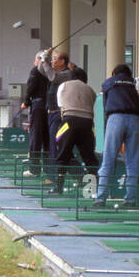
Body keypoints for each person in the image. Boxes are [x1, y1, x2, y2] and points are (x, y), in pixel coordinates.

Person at [94, 63, 139, 208]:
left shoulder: (108, 83)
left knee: (108, 159)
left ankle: (100, 198)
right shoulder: (133, 84)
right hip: (135, 120)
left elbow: (105, 106)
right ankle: (131, 199)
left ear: (114, 73)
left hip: (115, 118)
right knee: (133, 161)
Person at [48, 67, 99, 195]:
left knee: (62, 154)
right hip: (88, 123)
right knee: (89, 157)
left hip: (68, 122)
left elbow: (61, 106)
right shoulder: (90, 89)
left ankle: (58, 187)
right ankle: (93, 188)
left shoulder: (64, 85)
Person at [36, 49, 75, 162]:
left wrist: (44, 60)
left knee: (56, 144)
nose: (52, 61)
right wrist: (45, 56)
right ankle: (76, 175)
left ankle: (56, 176)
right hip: (52, 113)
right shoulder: (55, 73)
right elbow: (41, 69)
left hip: (60, 114)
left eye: (54, 59)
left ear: (62, 61)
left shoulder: (67, 73)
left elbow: (53, 77)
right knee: (56, 144)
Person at [20, 53, 51, 177]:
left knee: (35, 138)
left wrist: (26, 102)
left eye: (35, 59)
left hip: (38, 106)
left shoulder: (35, 70)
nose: (34, 61)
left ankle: (34, 169)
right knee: (47, 139)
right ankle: (48, 169)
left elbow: (31, 87)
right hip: (49, 108)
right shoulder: (51, 72)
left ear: (39, 59)